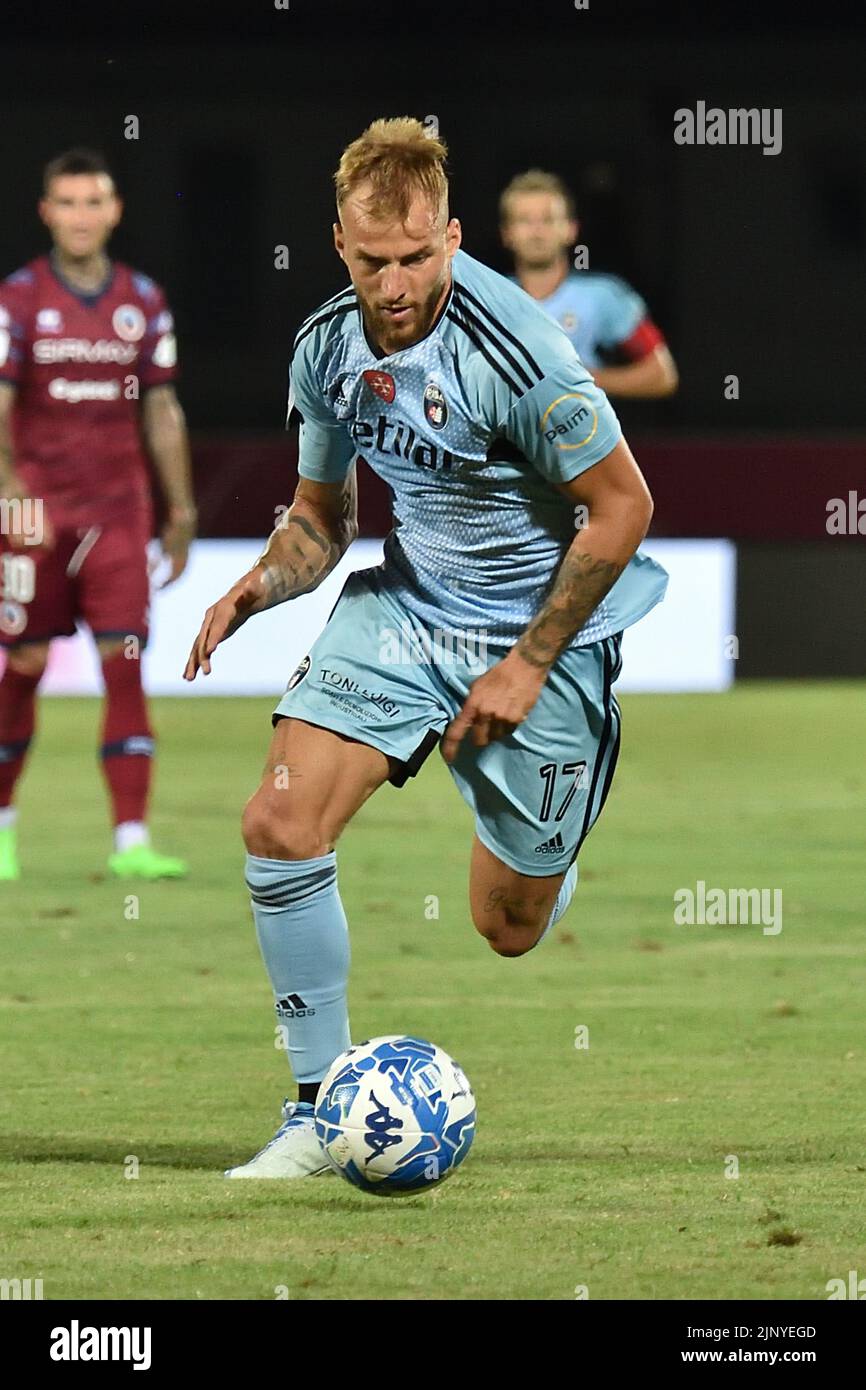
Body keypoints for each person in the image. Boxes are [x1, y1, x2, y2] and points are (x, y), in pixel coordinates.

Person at [185, 117, 668, 1178]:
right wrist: (260, 585)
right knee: (277, 819)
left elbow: (622, 508)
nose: (395, 283)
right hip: (406, 609)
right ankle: (317, 1109)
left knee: (505, 926)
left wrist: (524, 664)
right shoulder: (325, 346)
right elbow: (325, 517)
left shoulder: (521, 351)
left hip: (540, 629)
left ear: (450, 239)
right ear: (339, 247)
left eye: (415, 258)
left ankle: (547, 842)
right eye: (372, 261)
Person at [0, 148, 195, 881]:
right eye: (68, 202)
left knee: (126, 661)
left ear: (114, 211)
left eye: (94, 202)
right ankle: (4, 831)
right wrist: (10, 482)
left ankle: (132, 842)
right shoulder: (18, 299)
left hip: (118, 512)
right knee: (22, 663)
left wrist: (179, 509)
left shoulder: (142, 300)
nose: (81, 216)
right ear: (46, 212)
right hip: (36, 515)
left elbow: (163, 406)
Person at [500, 169, 678, 398]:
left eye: (548, 219)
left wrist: (582, 379)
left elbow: (662, 374)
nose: (537, 231)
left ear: (571, 230)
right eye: (524, 220)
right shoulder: (489, 298)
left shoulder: (602, 296)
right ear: (506, 233)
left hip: (584, 429)